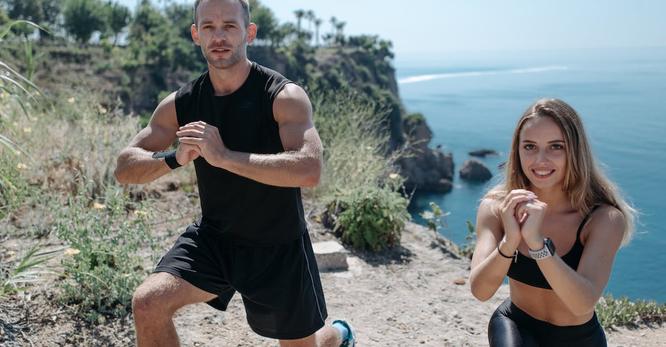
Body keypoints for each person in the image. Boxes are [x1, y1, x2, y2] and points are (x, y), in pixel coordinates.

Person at [114, 1, 355, 346]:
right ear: (195, 34)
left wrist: (224, 156)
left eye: (230, 25)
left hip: (279, 246)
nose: (219, 36)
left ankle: (339, 335)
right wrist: (174, 157)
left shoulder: (283, 96)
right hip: (215, 239)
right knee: (148, 302)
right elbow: (124, 168)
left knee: (312, 343)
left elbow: (309, 168)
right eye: (209, 27)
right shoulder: (183, 103)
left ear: (249, 32)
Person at [468, 98, 635, 346]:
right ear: (517, 150)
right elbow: (481, 291)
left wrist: (537, 245)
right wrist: (510, 240)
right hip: (516, 325)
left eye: (556, 146)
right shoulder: (496, 208)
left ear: (574, 151)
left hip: (578, 338)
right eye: (530, 147)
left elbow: (582, 304)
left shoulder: (603, 219)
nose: (540, 160)